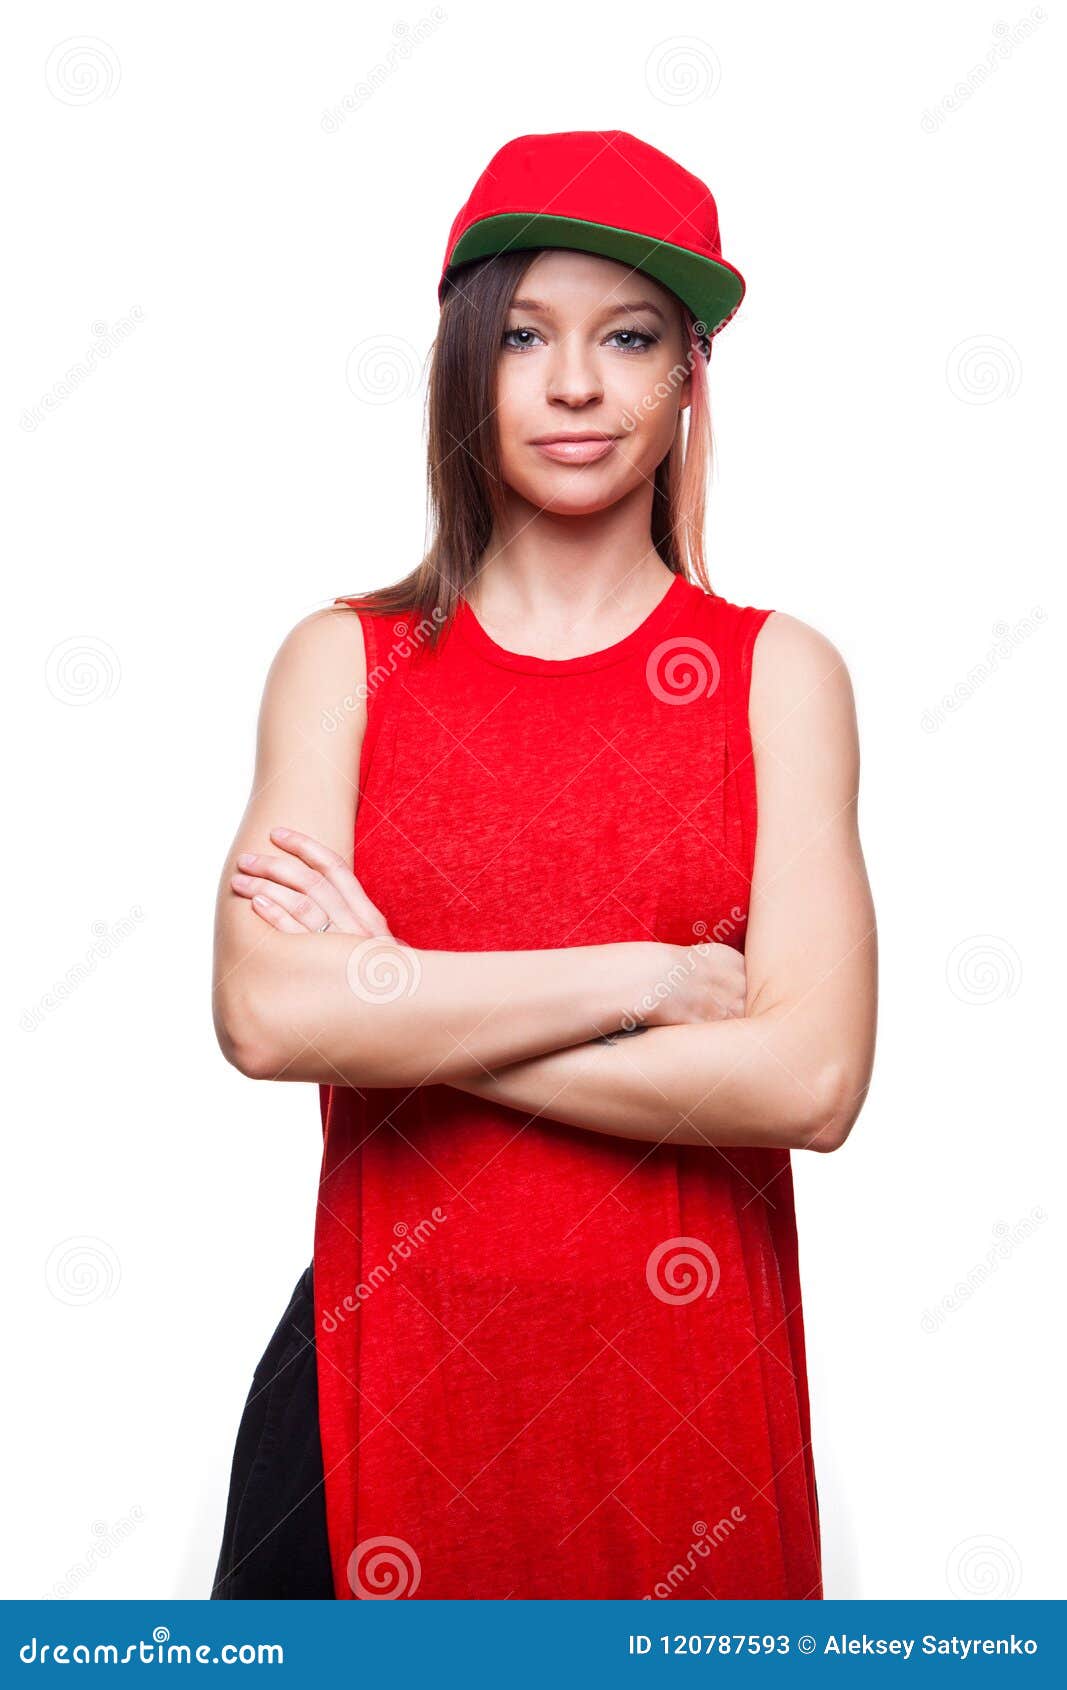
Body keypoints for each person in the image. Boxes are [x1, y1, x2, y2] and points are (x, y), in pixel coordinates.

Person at [210, 129, 877, 1601]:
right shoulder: (345, 663)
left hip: (678, 1400)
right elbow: (268, 1016)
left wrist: (397, 1012)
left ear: (689, 376)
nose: (575, 383)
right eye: (523, 336)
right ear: (462, 367)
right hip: (373, 1386)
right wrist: (642, 982)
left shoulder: (779, 678)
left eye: (628, 335)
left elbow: (811, 1082)